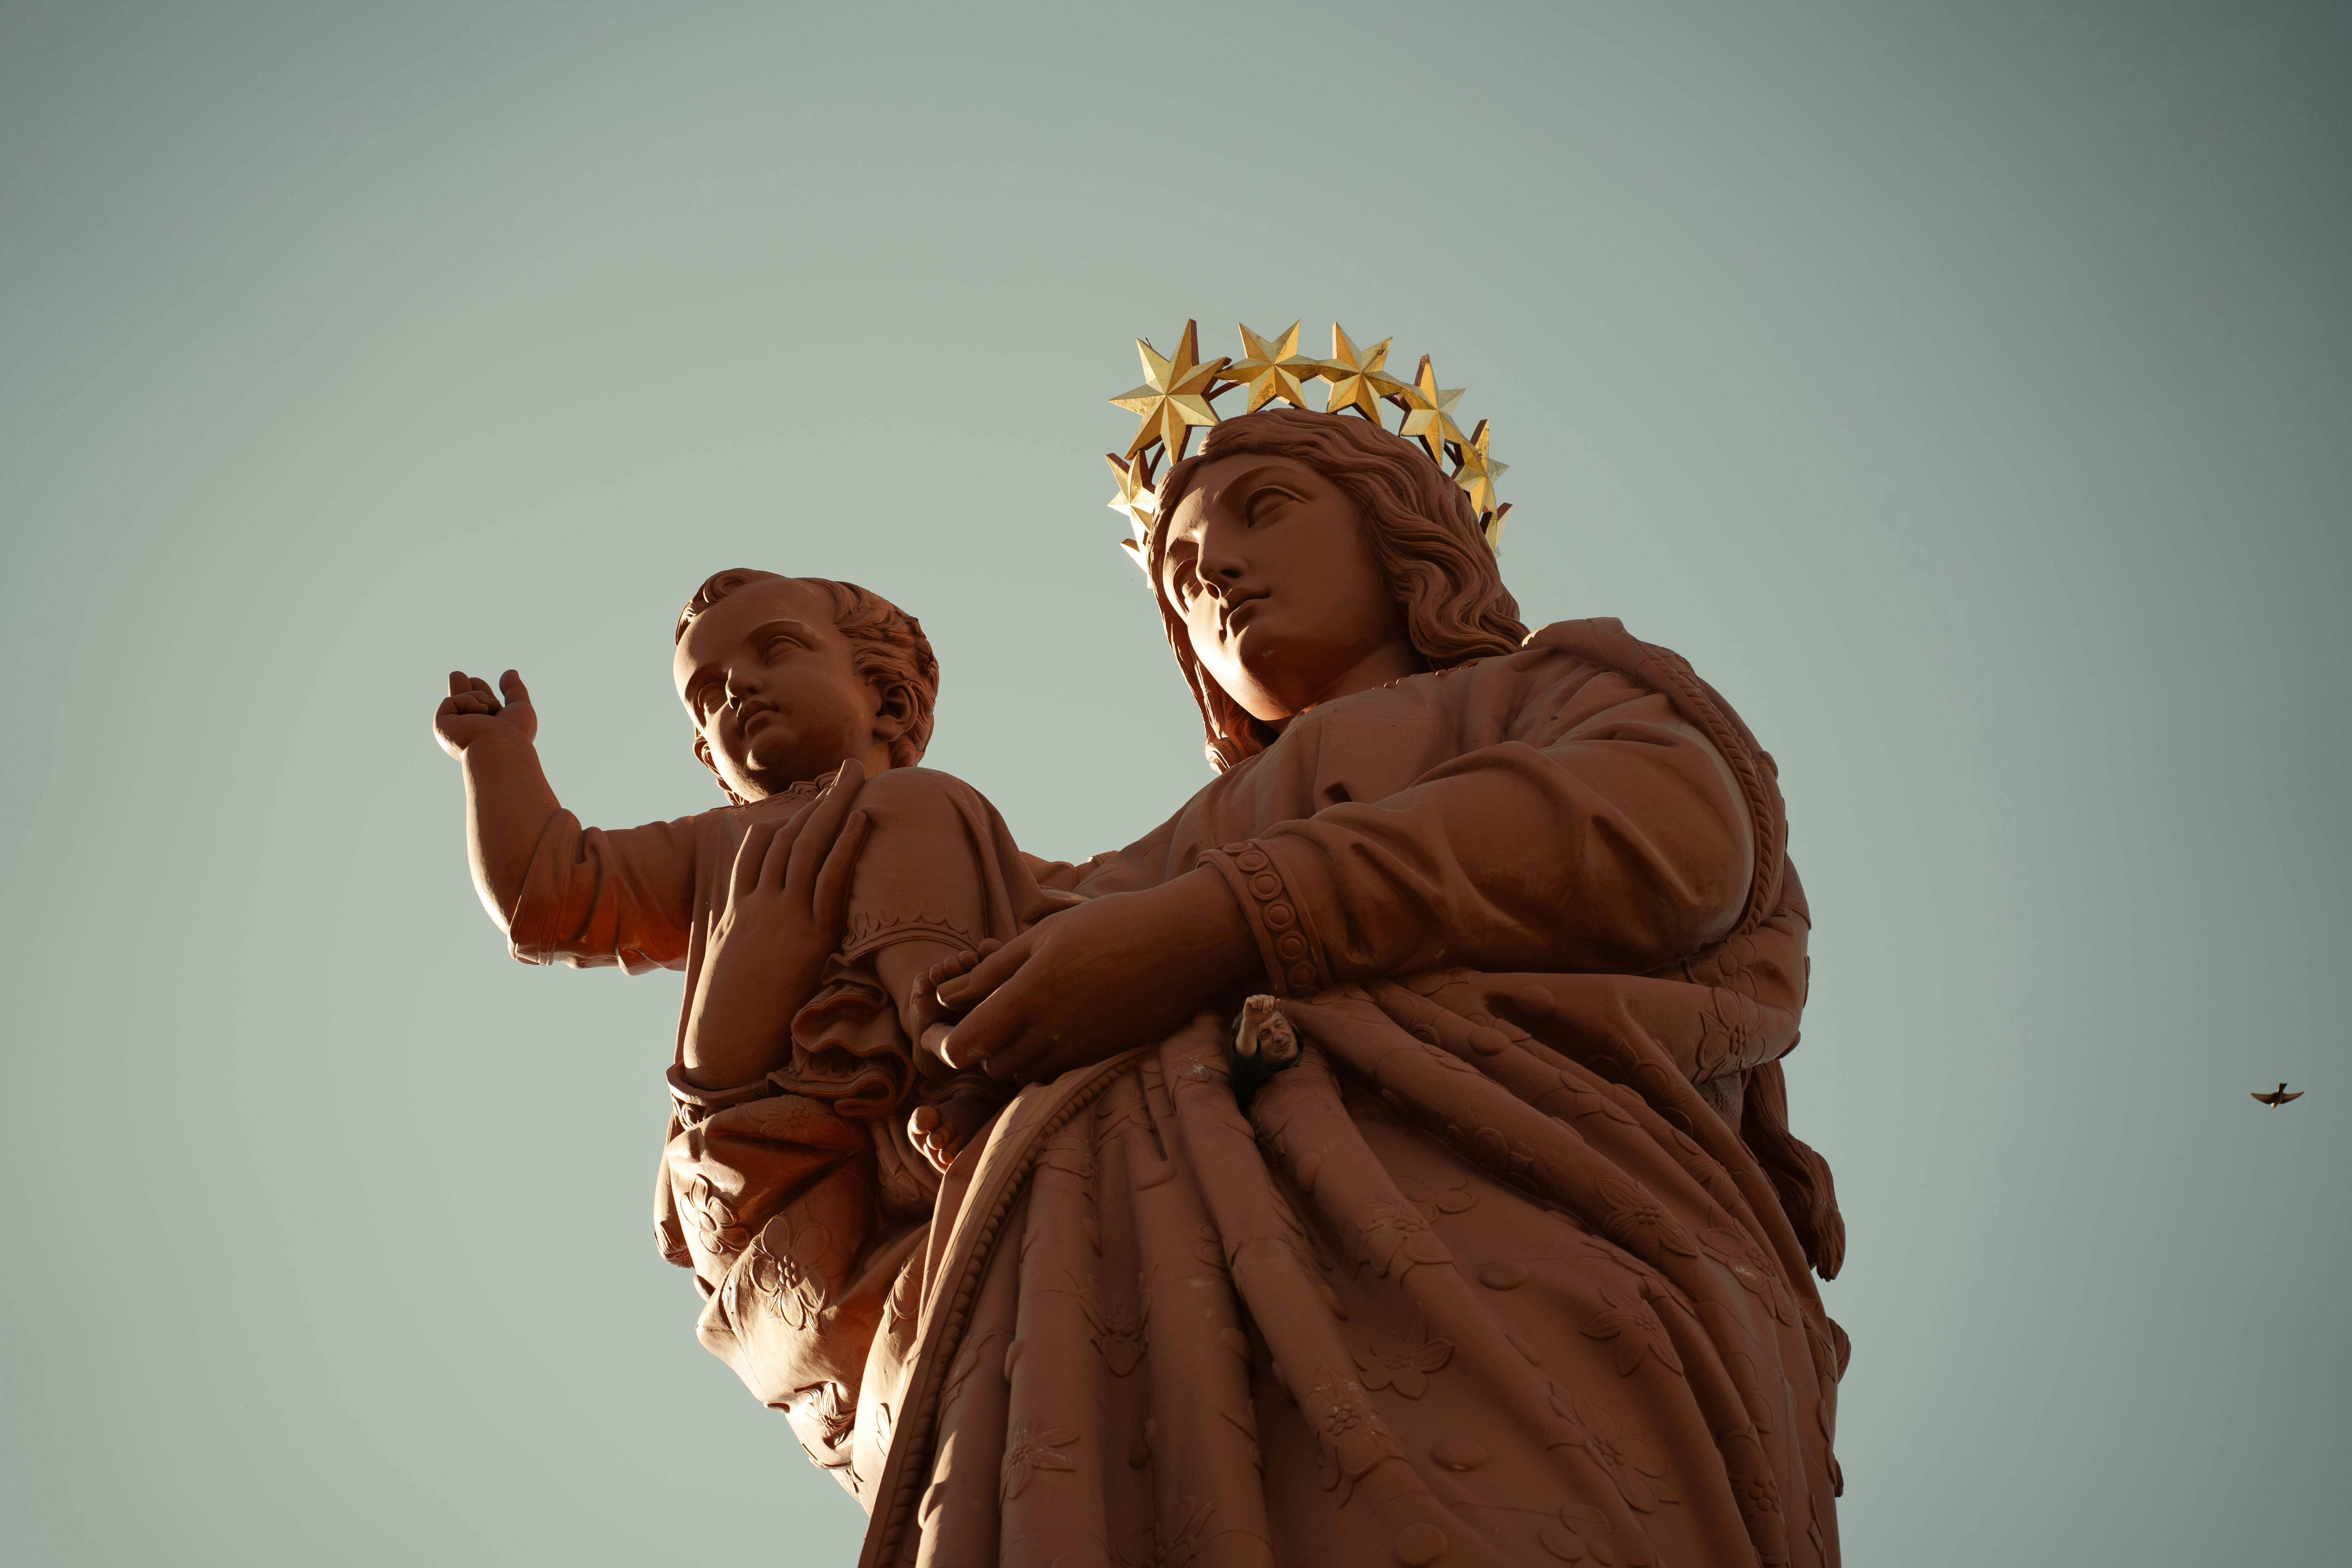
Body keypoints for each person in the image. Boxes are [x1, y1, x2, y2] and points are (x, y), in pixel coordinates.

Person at [661, 406, 1849, 1567]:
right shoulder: (1083, 901)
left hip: (1505, 1304)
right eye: (1177, 571)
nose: (1214, 567)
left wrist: (1219, 925)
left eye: (1263, 511)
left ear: (1402, 529)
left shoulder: (1541, 697)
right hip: (1090, 1410)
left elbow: (1668, 832)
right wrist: (724, 1071)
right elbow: (851, 1317)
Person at [429, 570, 1014, 1191]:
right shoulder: (723, 846)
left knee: (917, 797)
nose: (735, 687)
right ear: (713, 758)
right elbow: (547, 893)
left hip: (939, 1097)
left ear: (889, 701)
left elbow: (1078, 900)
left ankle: (959, 1055)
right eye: (707, 695)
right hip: (789, 1121)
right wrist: (496, 752)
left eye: (776, 650)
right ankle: (959, 1058)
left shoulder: (961, 832)